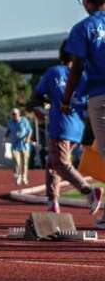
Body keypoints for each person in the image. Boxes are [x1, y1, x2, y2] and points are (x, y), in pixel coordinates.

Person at [30, 42, 100, 216]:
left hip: (60, 124)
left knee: (61, 164)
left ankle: (89, 191)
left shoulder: (54, 72)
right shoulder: (83, 76)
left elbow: (37, 96)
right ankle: (53, 202)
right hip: (77, 127)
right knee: (53, 162)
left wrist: (40, 106)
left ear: (61, 55)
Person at [63, 0, 105, 171]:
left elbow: (76, 68)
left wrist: (66, 98)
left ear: (87, 1)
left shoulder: (83, 28)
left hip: (100, 94)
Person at [6, 108, 34, 187]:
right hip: (15, 145)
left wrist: (28, 139)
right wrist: (5, 138)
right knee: (17, 162)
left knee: (24, 162)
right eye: (13, 114)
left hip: (24, 145)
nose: (14, 115)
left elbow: (30, 130)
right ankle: (19, 176)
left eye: (15, 114)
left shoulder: (24, 120)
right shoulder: (10, 122)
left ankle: (24, 177)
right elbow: (8, 130)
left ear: (19, 114)